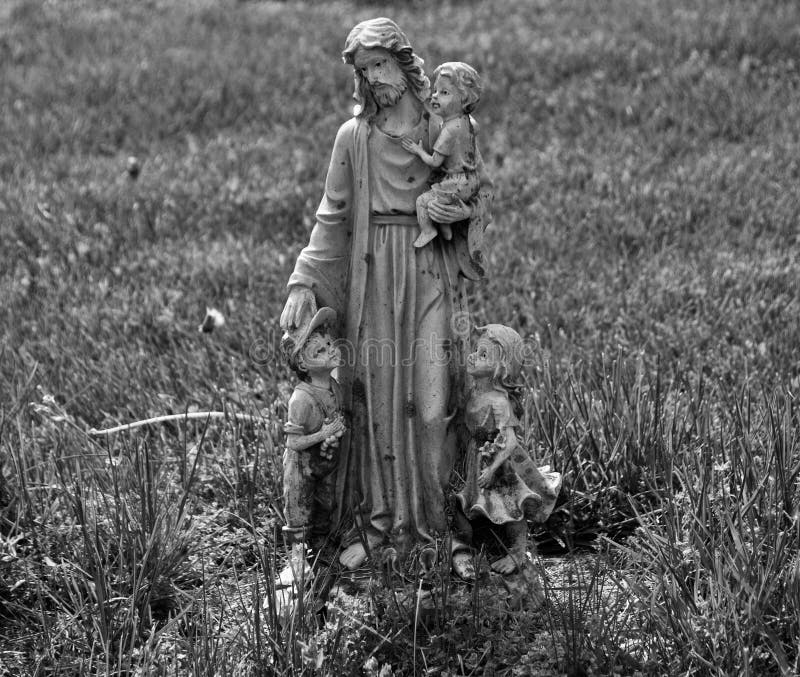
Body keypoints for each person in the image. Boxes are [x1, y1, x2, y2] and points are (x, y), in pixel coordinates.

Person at [279, 18, 493, 571]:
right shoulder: (354, 137)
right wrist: (304, 280)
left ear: (405, 63)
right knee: (374, 402)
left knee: (431, 401)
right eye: (365, 69)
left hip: (425, 271)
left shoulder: (438, 125)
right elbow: (332, 217)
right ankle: (380, 528)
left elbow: (470, 184)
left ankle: (441, 527)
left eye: (382, 64)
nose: (375, 78)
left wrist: (460, 212)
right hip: (374, 277)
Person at [450, 325, 561, 580]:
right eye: (477, 350)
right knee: (466, 502)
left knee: (511, 503)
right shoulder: (477, 392)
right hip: (475, 457)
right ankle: (466, 545)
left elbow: (509, 441)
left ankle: (518, 552)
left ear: (501, 369)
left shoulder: (498, 402)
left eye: (484, 355)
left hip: (498, 462)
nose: (473, 356)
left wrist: (492, 468)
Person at [277, 307, 346, 586]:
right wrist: (325, 434)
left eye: (329, 344)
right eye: (319, 351)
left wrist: (338, 429)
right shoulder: (301, 400)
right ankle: (296, 559)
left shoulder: (334, 386)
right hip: (301, 467)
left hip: (325, 462)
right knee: (299, 509)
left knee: (324, 507)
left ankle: (320, 552)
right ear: (303, 365)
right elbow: (293, 443)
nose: (330, 350)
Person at [402, 62, 483, 248]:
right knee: (438, 194)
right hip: (471, 179)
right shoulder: (468, 121)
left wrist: (418, 150)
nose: (435, 96)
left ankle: (429, 230)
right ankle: (445, 226)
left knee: (424, 201)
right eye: (436, 90)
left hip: (457, 181)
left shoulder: (448, 131)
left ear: (463, 100)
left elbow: (435, 162)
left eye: (444, 93)